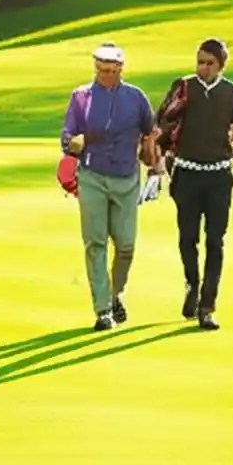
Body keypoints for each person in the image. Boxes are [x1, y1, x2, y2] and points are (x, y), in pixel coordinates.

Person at [60, 42, 166, 331]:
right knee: (95, 243)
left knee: (126, 245)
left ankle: (116, 293)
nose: (105, 75)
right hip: (92, 176)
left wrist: (157, 168)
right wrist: (73, 143)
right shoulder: (81, 97)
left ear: (121, 69)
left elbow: (151, 133)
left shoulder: (136, 98)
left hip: (126, 178)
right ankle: (103, 309)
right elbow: (67, 136)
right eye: (100, 70)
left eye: (111, 70)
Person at [155, 38, 233, 330]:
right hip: (187, 173)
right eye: (199, 61)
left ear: (221, 65)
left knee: (215, 241)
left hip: (219, 176)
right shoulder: (183, 88)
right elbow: (162, 122)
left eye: (209, 63)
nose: (203, 68)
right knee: (187, 238)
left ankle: (207, 306)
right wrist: (158, 160)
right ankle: (192, 284)